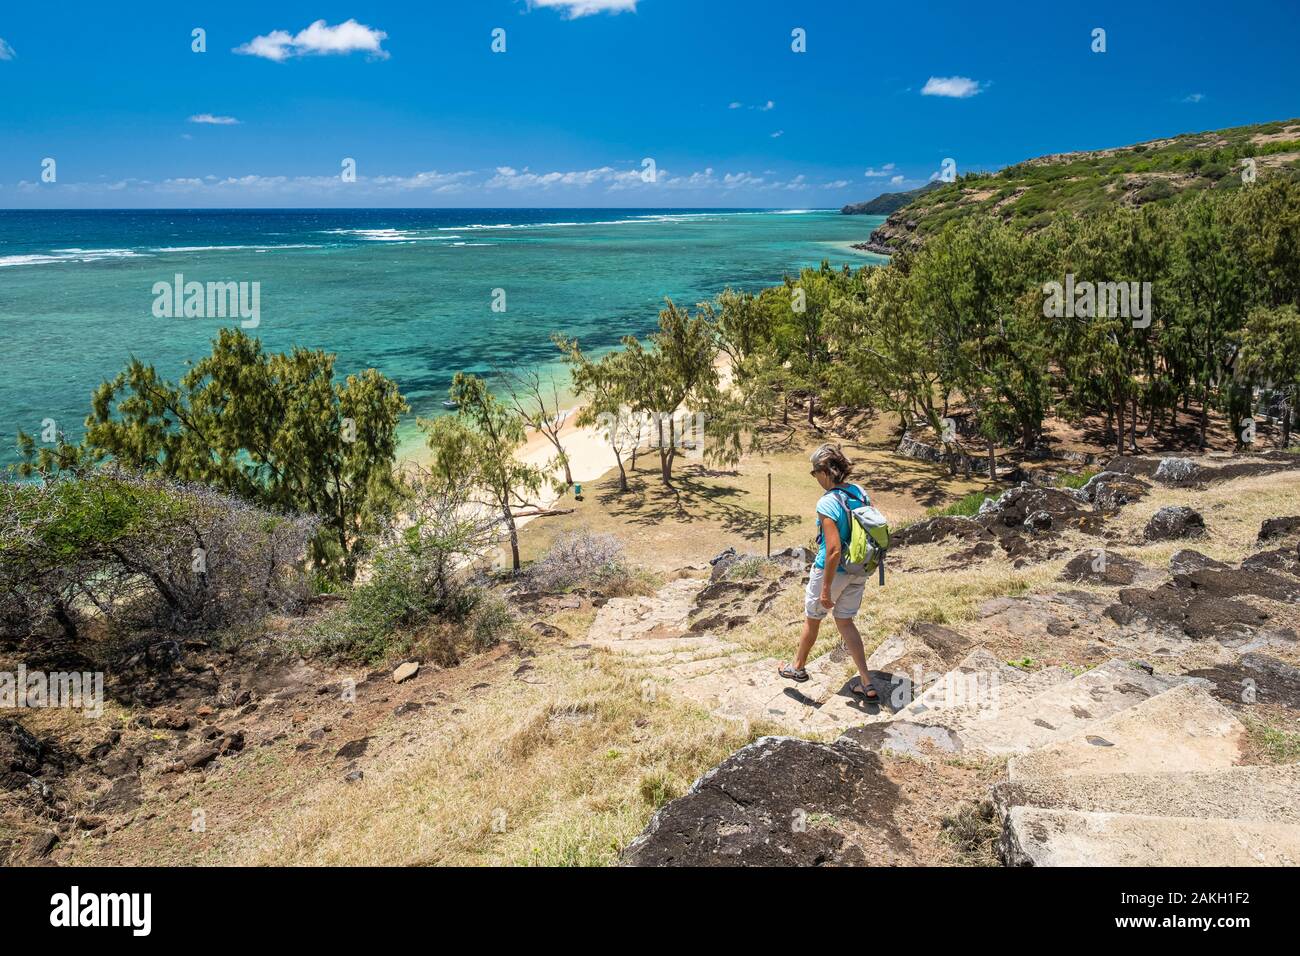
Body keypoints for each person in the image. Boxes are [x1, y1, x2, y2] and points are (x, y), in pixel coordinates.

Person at [779, 443, 878, 701]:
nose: (815, 479)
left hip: (833, 570)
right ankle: (867, 682)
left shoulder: (828, 503)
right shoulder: (859, 492)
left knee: (813, 619)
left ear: (825, 471)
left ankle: (797, 668)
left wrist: (825, 588)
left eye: (815, 473)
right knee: (845, 622)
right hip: (860, 568)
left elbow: (833, 550)